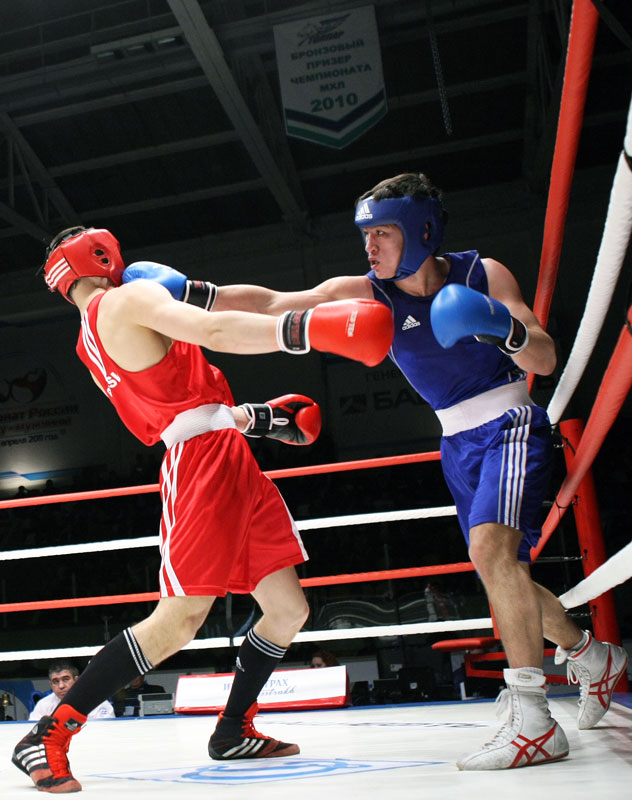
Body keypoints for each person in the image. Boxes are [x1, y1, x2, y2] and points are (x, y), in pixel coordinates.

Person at [127, 172, 629, 771]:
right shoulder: (367, 291)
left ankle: (532, 716)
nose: (370, 246)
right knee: (499, 569)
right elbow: (274, 303)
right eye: (365, 234)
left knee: (494, 554)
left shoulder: (481, 274)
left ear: (422, 231)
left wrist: (502, 326)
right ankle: (592, 657)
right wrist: (196, 293)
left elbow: (543, 354)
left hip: (510, 420)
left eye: (382, 233)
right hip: (456, 439)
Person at [12, 226, 393, 794]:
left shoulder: (91, 332)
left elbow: (188, 405)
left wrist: (261, 418)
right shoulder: (127, 298)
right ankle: (46, 733)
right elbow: (214, 329)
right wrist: (308, 331)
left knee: (287, 609)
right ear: (101, 255)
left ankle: (233, 730)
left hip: (222, 450)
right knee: (180, 619)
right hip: (202, 467)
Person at [30, 663, 114, 721]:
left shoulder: (98, 702)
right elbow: (32, 733)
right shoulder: (43, 705)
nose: (61, 686)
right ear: (51, 685)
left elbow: (106, 732)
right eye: (56, 681)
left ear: (76, 680)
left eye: (66, 679)